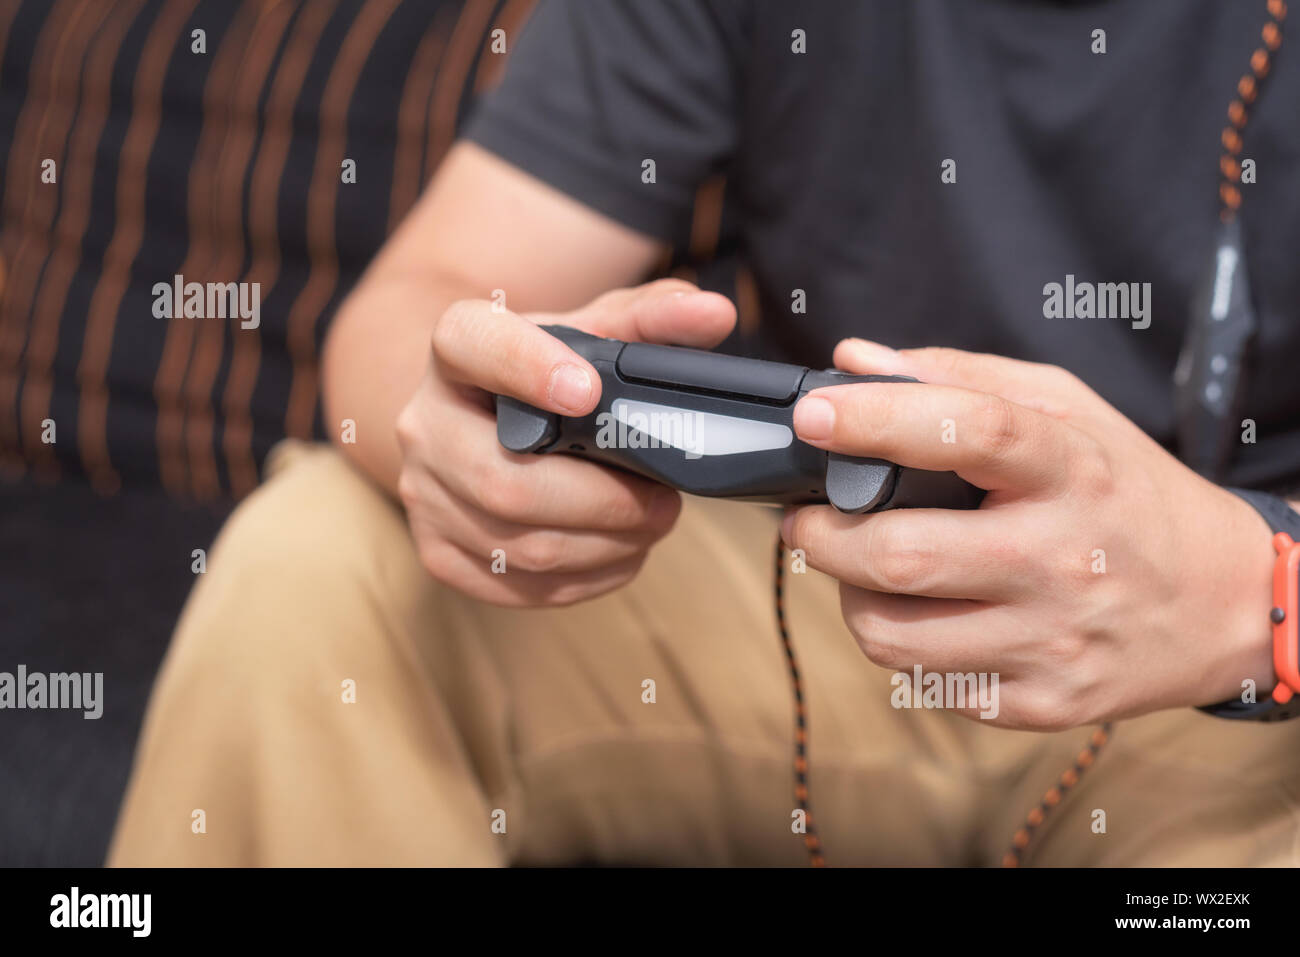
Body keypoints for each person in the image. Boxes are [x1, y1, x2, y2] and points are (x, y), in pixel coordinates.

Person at [110, 0, 1300, 866]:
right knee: (315, 564)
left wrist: (1257, 596)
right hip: (831, 610)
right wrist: (474, 430)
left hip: (1234, 679)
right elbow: (422, 302)